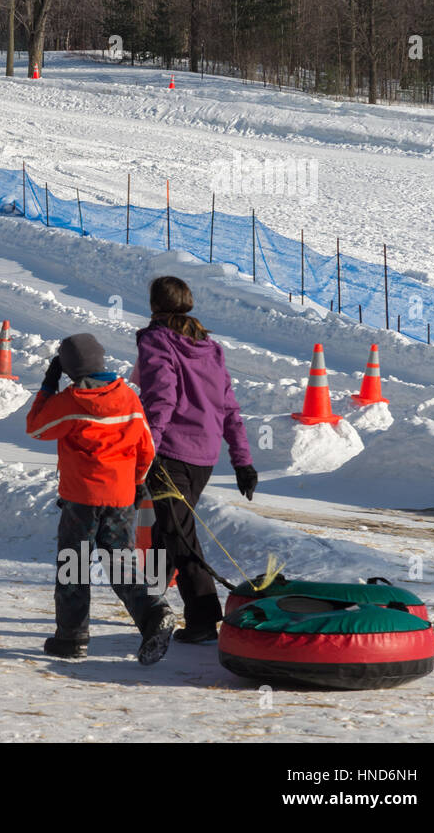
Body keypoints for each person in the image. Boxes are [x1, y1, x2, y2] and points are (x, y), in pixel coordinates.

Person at [27, 333, 176, 665]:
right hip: (122, 497)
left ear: (67, 369)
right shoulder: (128, 397)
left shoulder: (71, 400)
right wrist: (136, 483)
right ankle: (154, 613)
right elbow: (147, 448)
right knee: (120, 562)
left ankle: (71, 637)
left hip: (81, 498)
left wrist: (47, 387)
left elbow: (36, 428)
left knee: (73, 565)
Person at [134, 276, 258, 644]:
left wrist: (148, 451)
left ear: (154, 303)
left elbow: (161, 400)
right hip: (203, 456)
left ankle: (203, 619)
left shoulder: (156, 340)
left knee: (178, 534)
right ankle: (150, 601)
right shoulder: (209, 346)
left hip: (169, 454)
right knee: (165, 528)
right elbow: (229, 409)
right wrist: (241, 461)